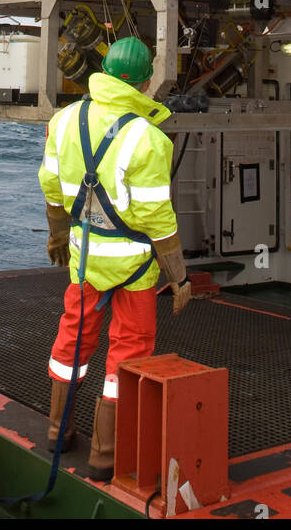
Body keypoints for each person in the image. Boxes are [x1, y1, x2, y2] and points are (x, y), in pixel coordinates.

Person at [39, 35, 191, 480]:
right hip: (135, 270)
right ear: (146, 83)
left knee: (72, 343)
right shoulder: (149, 138)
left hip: (83, 259)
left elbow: (51, 187)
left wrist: (57, 236)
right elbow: (157, 218)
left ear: (102, 71)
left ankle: (56, 432)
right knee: (128, 354)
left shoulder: (63, 120)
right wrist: (179, 277)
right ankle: (104, 456)